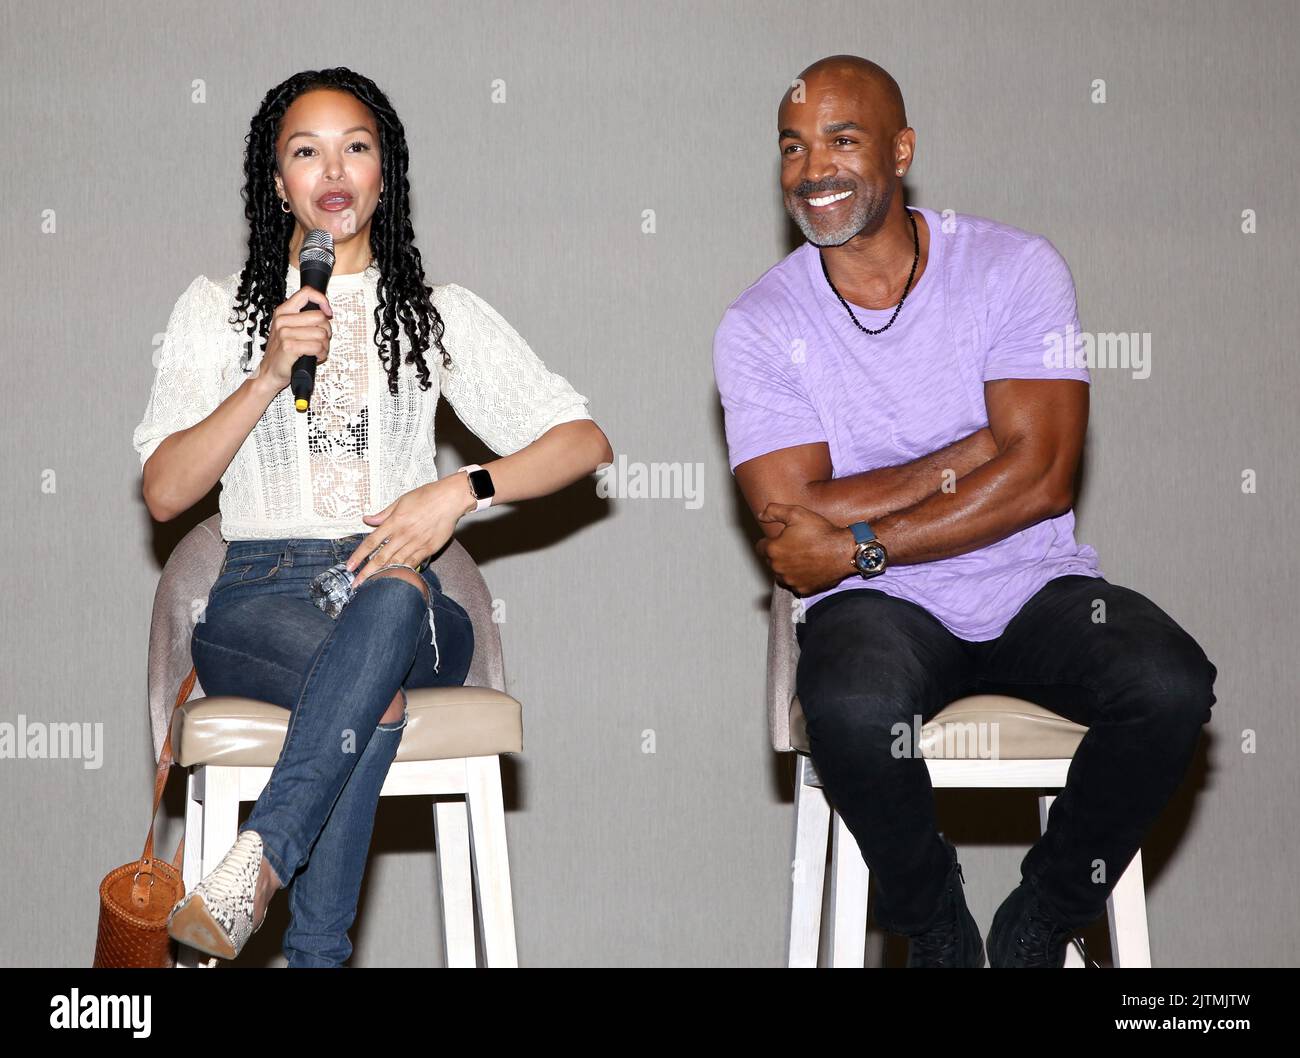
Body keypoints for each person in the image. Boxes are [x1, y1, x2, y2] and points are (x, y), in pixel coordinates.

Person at [712, 55, 1217, 967]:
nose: (812, 168)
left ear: (901, 149)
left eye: (842, 139)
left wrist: (861, 537)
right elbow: (790, 518)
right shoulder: (756, 326)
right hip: (878, 610)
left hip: (1030, 579)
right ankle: (938, 932)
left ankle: (1039, 924)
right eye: (793, 146)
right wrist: (981, 449)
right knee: (853, 706)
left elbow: (1043, 482)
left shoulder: (1014, 269)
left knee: (1171, 684)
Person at [133, 67, 613, 967]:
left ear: (384, 174)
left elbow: (585, 442)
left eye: (357, 147)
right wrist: (269, 374)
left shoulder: (430, 312)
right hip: (256, 601)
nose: (334, 170)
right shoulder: (215, 311)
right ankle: (317, 952)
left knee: (391, 600)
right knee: (372, 695)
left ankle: (260, 861)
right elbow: (164, 491)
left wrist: (459, 488)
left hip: (404, 599)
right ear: (276, 181)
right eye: (306, 151)